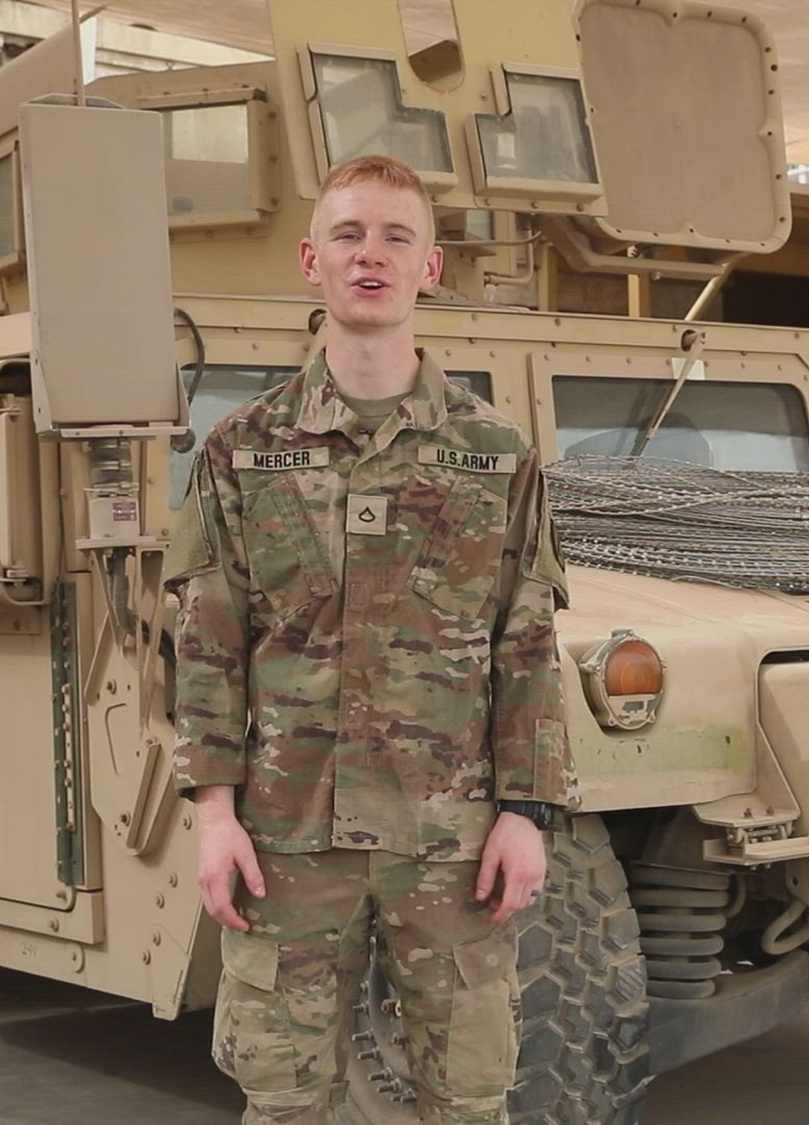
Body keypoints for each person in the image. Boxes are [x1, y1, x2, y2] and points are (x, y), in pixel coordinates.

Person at [164, 153, 573, 1125]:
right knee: (283, 1101)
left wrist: (527, 811)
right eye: (348, 235)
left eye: (396, 237)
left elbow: (525, 643)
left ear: (430, 266)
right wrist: (213, 815)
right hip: (287, 837)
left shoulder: (494, 453)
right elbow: (207, 645)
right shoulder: (241, 450)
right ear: (312, 260)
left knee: (467, 1101)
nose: (370, 255)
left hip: (450, 841)